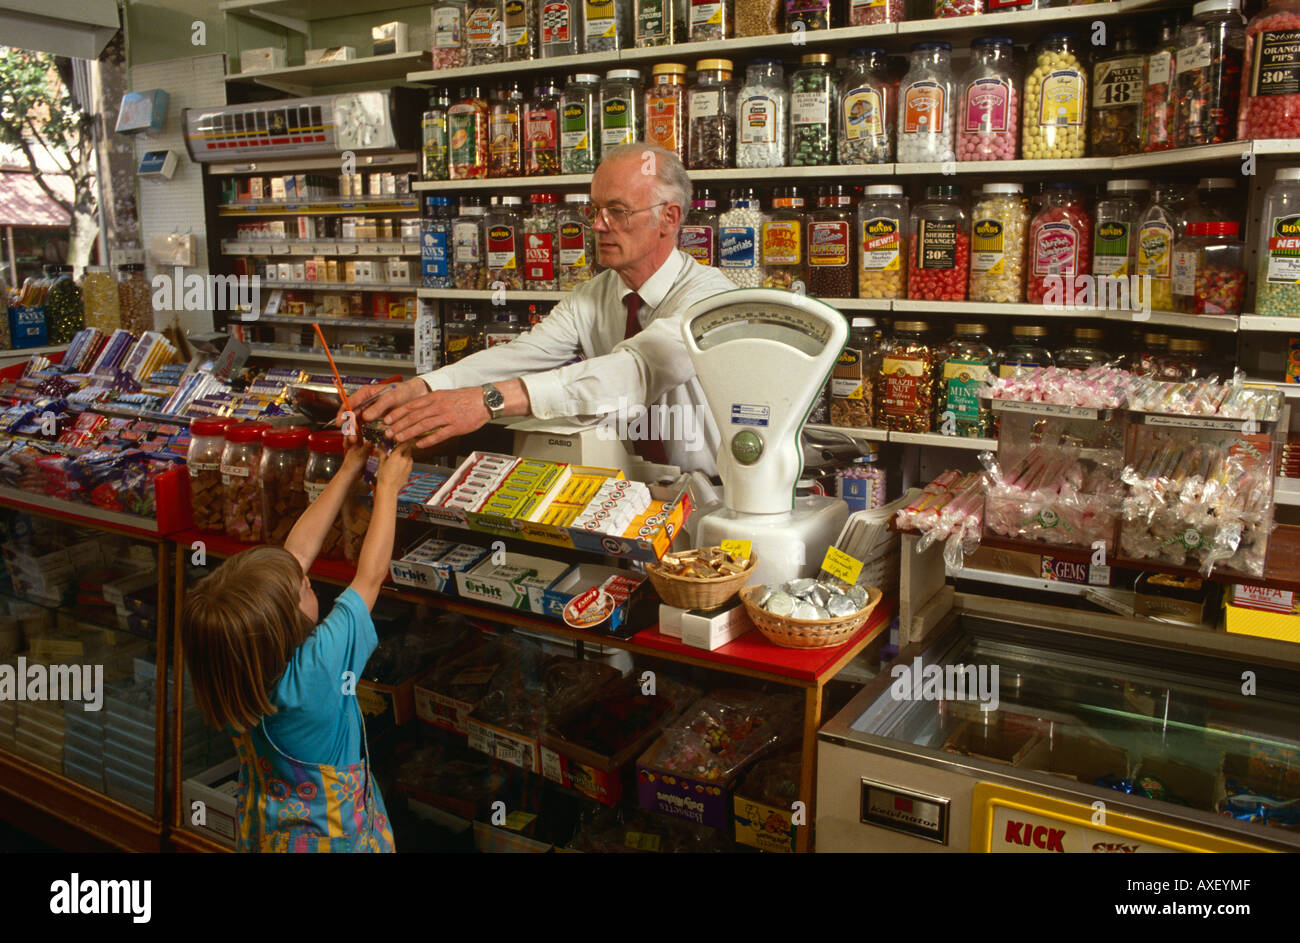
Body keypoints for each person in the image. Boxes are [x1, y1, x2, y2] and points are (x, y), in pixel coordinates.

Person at [345, 142, 736, 474]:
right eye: (595, 210)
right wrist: (421, 388)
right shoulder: (592, 296)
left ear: (669, 218)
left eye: (617, 211)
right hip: (631, 489)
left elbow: (636, 370)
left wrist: (488, 400)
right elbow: (522, 355)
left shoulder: (709, 298)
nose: (598, 225)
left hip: (709, 494)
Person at [180, 438, 414, 853]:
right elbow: (370, 577)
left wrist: (349, 468)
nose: (308, 581)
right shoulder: (317, 669)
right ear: (285, 622)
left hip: (268, 834)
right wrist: (389, 488)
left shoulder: (233, 664)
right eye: (304, 588)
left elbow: (295, 555)